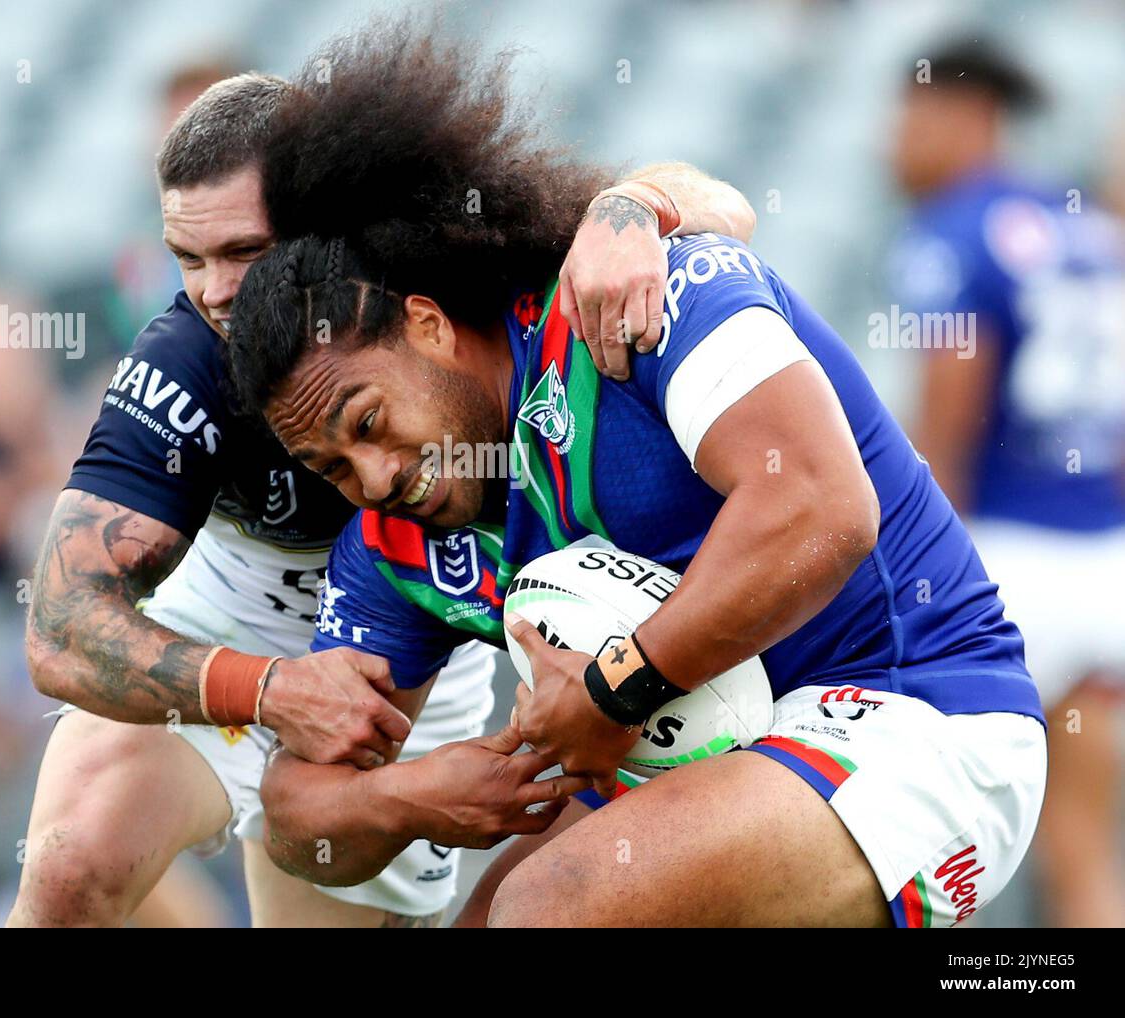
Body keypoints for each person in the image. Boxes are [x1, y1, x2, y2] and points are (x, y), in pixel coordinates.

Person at [225, 26, 1047, 928]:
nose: (371, 478)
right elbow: (298, 810)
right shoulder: (396, 543)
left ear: (426, 325)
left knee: (548, 910)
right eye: (329, 467)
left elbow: (821, 508)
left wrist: (618, 688)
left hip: (913, 714)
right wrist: (412, 798)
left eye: (369, 424)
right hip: (708, 766)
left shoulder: (643, 303)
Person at [8, 67, 757, 927]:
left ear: (323, 218)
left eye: (244, 253)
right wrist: (271, 688)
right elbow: (59, 625)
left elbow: (722, 208)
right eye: (188, 259)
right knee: (66, 881)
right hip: (222, 643)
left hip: (400, 681)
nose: (215, 292)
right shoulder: (183, 358)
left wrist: (630, 210)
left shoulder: (437, 258)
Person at [890, 38, 1125, 927]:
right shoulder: (1089, 229)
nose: (892, 142)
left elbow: (950, 425)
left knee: (927, 845)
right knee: (1080, 843)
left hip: (1002, 567)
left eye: (909, 116)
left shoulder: (957, 226)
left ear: (963, 114)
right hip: (1102, 562)